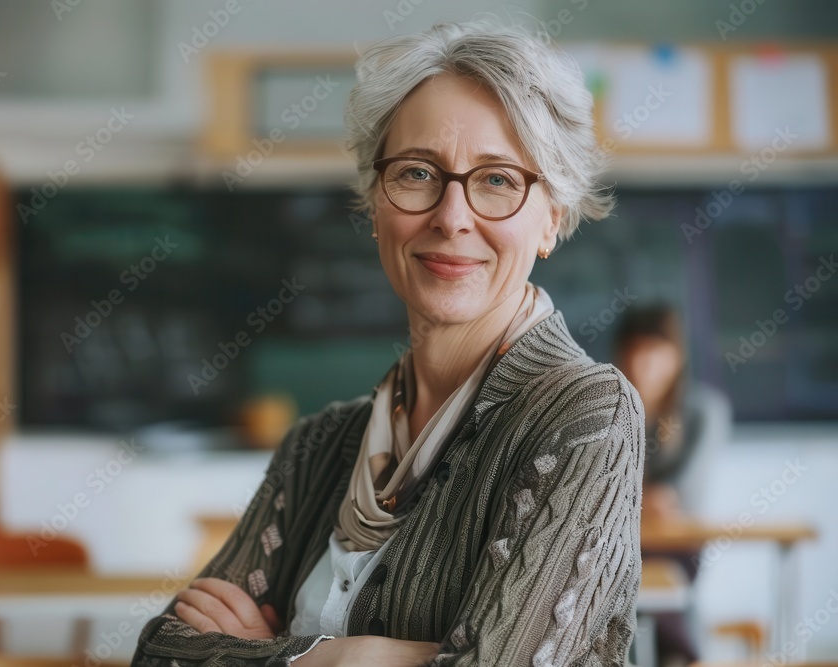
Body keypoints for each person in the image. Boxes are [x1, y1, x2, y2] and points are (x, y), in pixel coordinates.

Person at [133, 19, 645, 667]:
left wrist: (289, 655)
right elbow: (164, 654)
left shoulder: (586, 417)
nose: (452, 215)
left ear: (552, 218)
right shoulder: (316, 448)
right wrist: (369, 655)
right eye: (417, 172)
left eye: (497, 180)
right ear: (375, 204)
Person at [613, 304, 733, 666]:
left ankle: (681, 652)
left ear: (677, 356)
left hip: (676, 546)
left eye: (654, 352)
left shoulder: (702, 411)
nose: (641, 363)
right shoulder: (611, 408)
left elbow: (673, 496)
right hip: (619, 544)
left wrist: (629, 497)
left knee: (646, 586)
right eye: (634, 351)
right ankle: (682, 652)